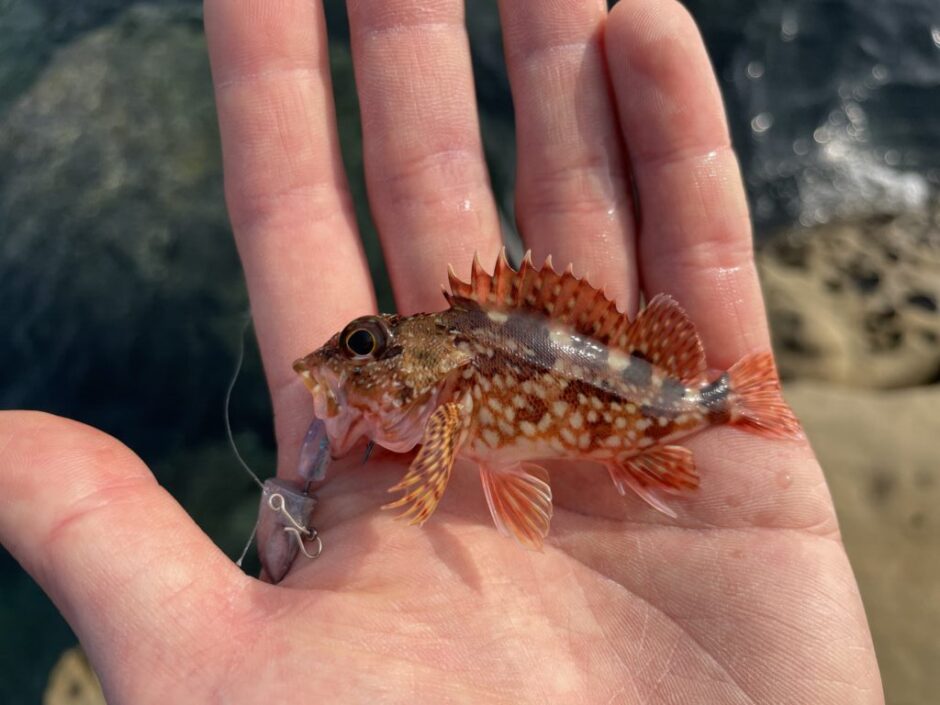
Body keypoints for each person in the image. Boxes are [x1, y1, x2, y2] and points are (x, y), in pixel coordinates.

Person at [0, 1, 885, 702]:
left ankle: (728, 399)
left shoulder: (454, 386)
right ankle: (724, 399)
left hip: (656, 403)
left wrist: (701, 398)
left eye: (364, 347)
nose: (342, 366)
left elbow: (443, 466)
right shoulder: (442, 387)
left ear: (425, 363)